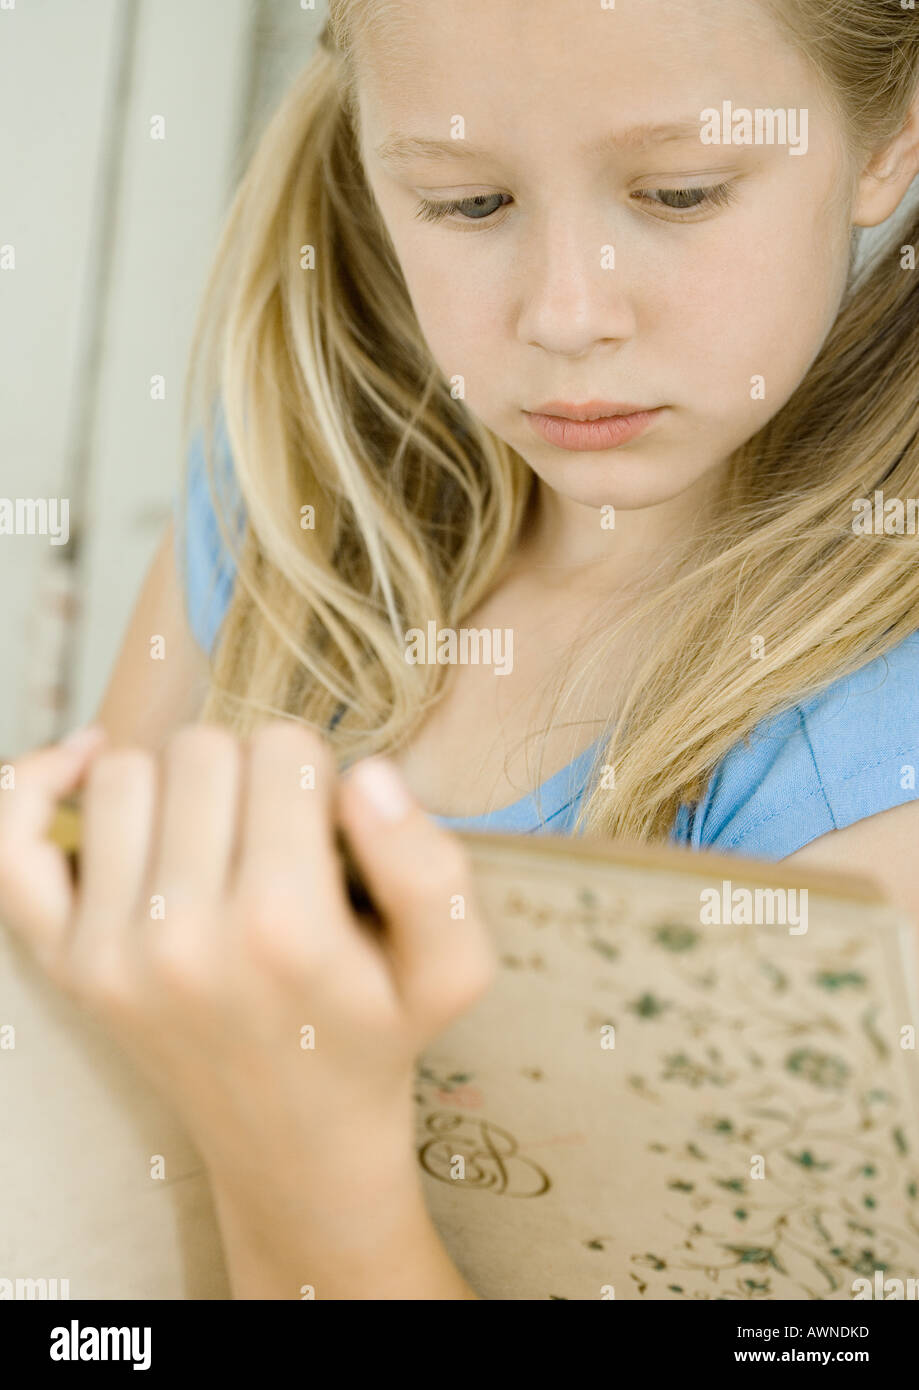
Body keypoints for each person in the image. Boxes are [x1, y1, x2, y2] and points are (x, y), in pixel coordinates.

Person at [2, 0, 918, 1299]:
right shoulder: (282, 513)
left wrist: (309, 1159)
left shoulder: (874, 769)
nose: (567, 313)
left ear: (891, 134)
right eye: (466, 201)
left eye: (678, 190)